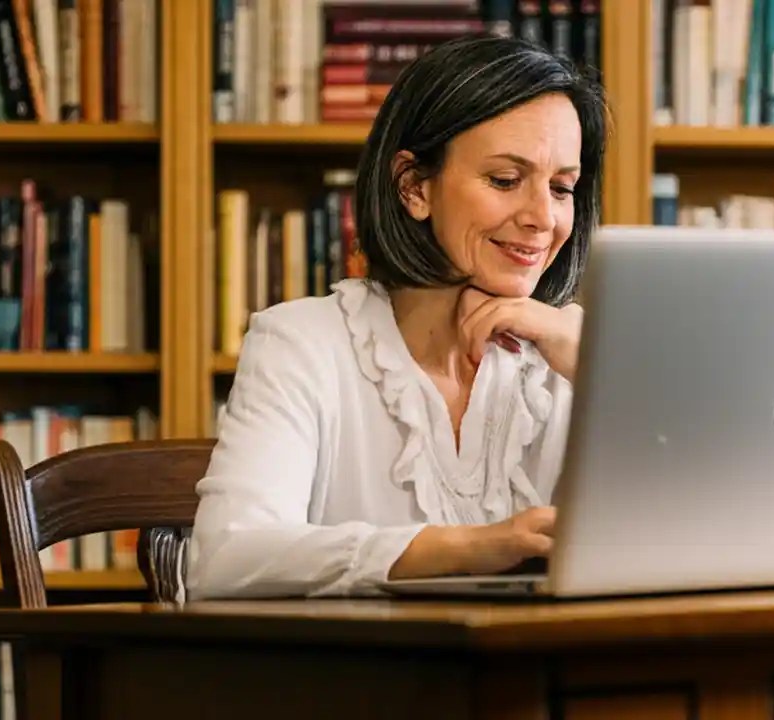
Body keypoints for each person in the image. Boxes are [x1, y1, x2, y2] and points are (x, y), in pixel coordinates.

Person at [183, 35, 608, 600]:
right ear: (414, 187)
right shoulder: (302, 343)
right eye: (505, 180)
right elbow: (225, 557)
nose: (542, 218)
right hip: (363, 683)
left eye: (561, 188)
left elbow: (705, 534)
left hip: (551, 681)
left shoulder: (577, 354)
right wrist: (472, 549)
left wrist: (605, 374)